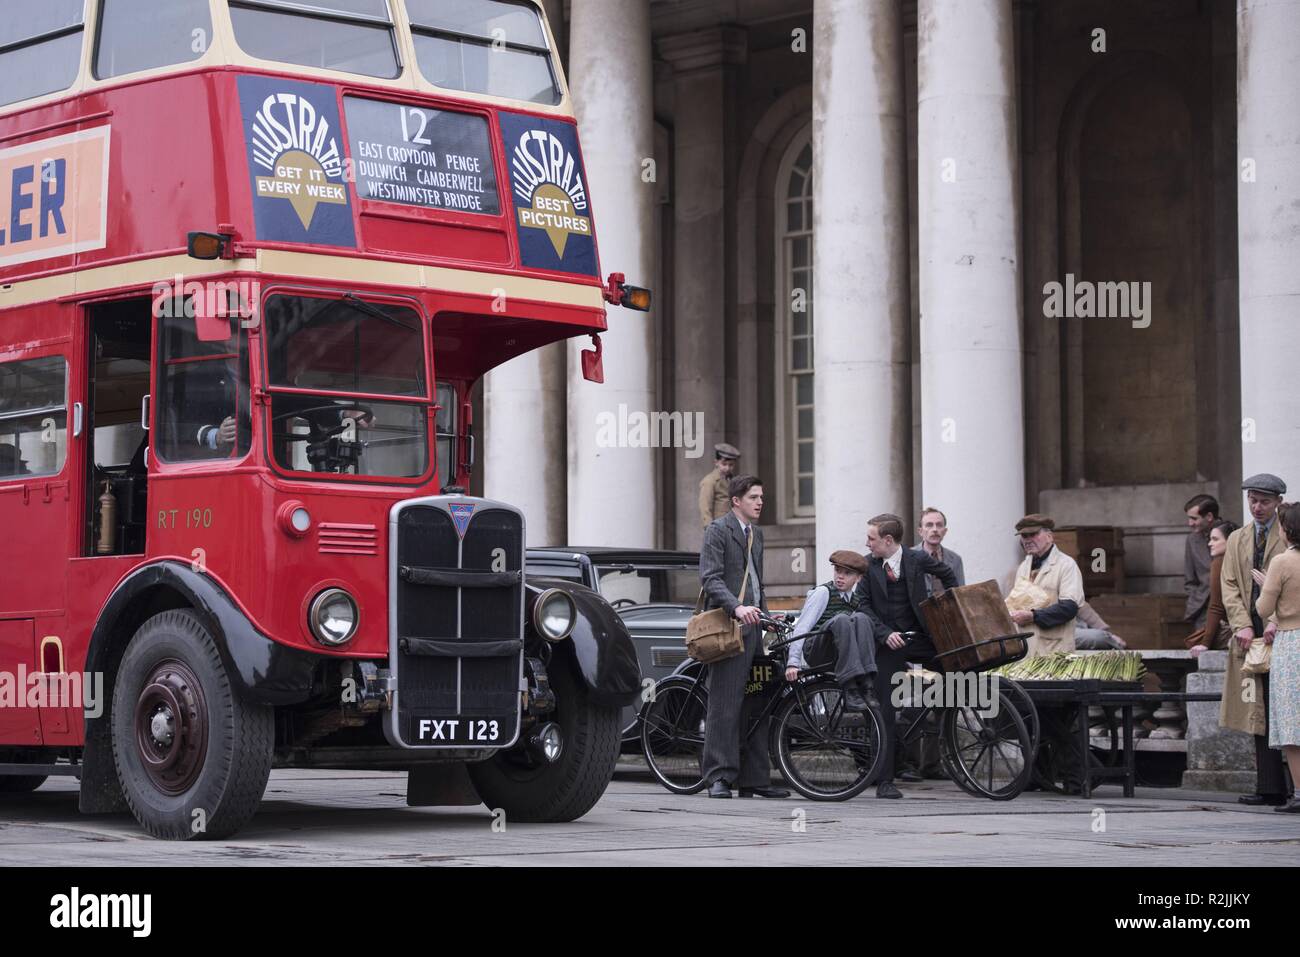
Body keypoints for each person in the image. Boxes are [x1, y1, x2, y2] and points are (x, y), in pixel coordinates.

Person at [854, 513, 958, 798]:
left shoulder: (915, 559)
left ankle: (937, 730)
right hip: (886, 643)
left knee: (957, 667)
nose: (867, 543)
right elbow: (862, 604)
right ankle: (885, 781)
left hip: (916, 637)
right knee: (886, 708)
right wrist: (884, 633)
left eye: (872, 538)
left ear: (888, 541)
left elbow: (947, 575)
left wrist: (947, 607)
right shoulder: (869, 565)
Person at [698, 474, 789, 800]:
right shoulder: (717, 531)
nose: (760, 502)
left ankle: (754, 779)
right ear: (736, 500)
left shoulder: (756, 534)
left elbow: (756, 582)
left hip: (753, 628)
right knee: (724, 704)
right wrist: (737, 608)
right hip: (727, 628)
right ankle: (719, 777)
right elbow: (711, 578)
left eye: (761, 496)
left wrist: (766, 616)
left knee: (756, 701)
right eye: (753, 497)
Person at [1221, 473, 1291, 806]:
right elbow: (1229, 585)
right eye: (1252, 500)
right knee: (1256, 709)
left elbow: (1291, 586)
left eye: (1264, 501)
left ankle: (1291, 786)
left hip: (1284, 634)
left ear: (1278, 502)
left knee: (1287, 709)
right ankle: (1269, 786)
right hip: (1249, 637)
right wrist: (1240, 626)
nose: (1257, 506)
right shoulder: (1237, 538)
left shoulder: (1290, 534)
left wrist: (1274, 620)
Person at [784, 550, 881, 712]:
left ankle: (866, 684)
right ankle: (850, 687)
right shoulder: (823, 592)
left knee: (862, 619)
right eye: (837, 571)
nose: (840, 577)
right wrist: (793, 662)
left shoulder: (855, 600)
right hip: (816, 650)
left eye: (847, 573)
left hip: (837, 654)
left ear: (858, 578)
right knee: (842, 619)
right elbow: (802, 627)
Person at [1256, 502, 1300, 812]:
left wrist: (1264, 587)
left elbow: (1263, 609)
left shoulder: (1283, 562)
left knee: (1293, 725)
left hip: (1292, 641)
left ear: (1286, 531)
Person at [1007, 514, 1085, 657]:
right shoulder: (1023, 567)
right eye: (1024, 536)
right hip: (1026, 652)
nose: (1028, 540)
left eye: (1033, 534)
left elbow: (1069, 608)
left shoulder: (1066, 565)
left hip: (1055, 651)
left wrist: (1033, 616)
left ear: (1049, 536)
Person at [1185, 519, 1239, 658]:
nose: (1210, 543)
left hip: (1235, 632)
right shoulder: (1240, 560)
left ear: (1230, 540)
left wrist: (1205, 643)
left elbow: (1216, 606)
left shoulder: (1219, 562)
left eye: (1215, 539)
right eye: (1210, 539)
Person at [1184, 494, 1221, 630]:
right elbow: (1189, 580)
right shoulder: (1192, 540)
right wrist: (1196, 599)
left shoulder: (1233, 533)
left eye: (1194, 518)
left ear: (1209, 517)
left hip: (1228, 610)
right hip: (1201, 612)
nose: (1190, 523)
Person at [913, 507, 965, 597]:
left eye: (939, 525)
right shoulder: (909, 556)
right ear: (920, 531)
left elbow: (960, 593)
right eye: (929, 525)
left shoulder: (955, 559)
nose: (935, 529)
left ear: (944, 531)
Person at [698, 443, 740, 528]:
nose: (727, 468)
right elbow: (705, 507)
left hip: (733, 525)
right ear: (716, 462)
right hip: (719, 527)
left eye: (731, 465)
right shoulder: (710, 481)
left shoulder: (732, 480)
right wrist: (710, 528)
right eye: (724, 464)